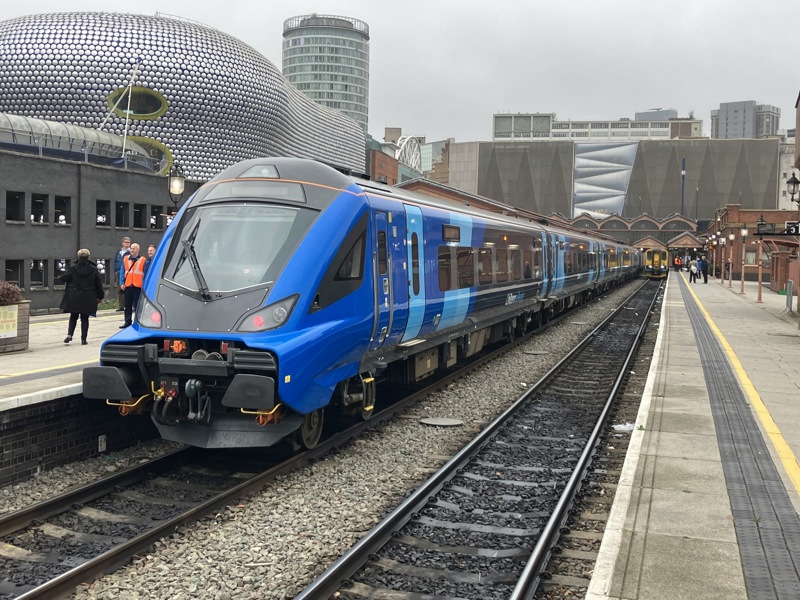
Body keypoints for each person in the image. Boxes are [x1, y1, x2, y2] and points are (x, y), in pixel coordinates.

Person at [56, 248, 105, 345]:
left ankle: (70, 334)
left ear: (78, 256)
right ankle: (83, 339)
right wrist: (101, 296)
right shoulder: (93, 269)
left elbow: (64, 278)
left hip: (74, 295)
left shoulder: (73, 268)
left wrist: (60, 277)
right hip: (88, 295)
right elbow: (98, 284)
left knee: (73, 316)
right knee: (85, 318)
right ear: (88, 257)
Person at [119, 242, 144, 328]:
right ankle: (127, 321)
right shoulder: (126, 258)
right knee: (127, 305)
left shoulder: (143, 260)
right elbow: (122, 271)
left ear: (138, 250)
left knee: (138, 305)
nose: (132, 250)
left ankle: (138, 322)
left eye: (134, 248)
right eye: (131, 248)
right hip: (128, 285)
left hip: (138, 286)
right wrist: (121, 283)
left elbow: (145, 273)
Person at [113, 237, 131, 311]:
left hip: (127, 273)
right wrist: (116, 270)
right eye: (126, 242)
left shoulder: (130, 252)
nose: (127, 244)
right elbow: (115, 261)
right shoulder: (119, 252)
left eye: (129, 242)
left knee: (128, 289)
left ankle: (130, 304)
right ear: (122, 243)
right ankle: (121, 306)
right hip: (119, 272)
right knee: (120, 289)